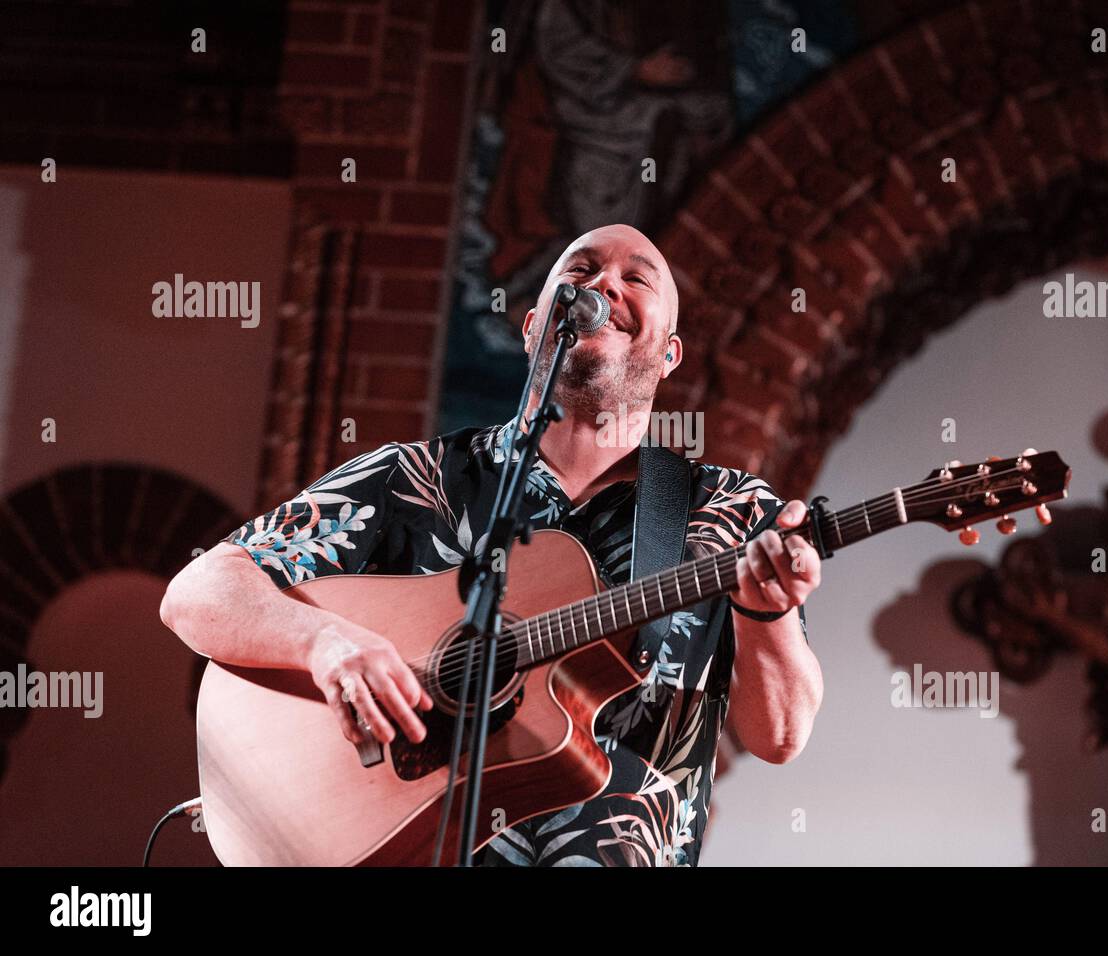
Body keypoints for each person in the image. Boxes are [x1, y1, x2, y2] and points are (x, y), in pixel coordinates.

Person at [160, 223, 824, 866]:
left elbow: (781, 737)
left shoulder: (731, 513)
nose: (606, 286)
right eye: (583, 271)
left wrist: (768, 617)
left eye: (636, 278)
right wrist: (326, 644)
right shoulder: (417, 478)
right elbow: (198, 593)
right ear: (536, 327)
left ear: (670, 353)